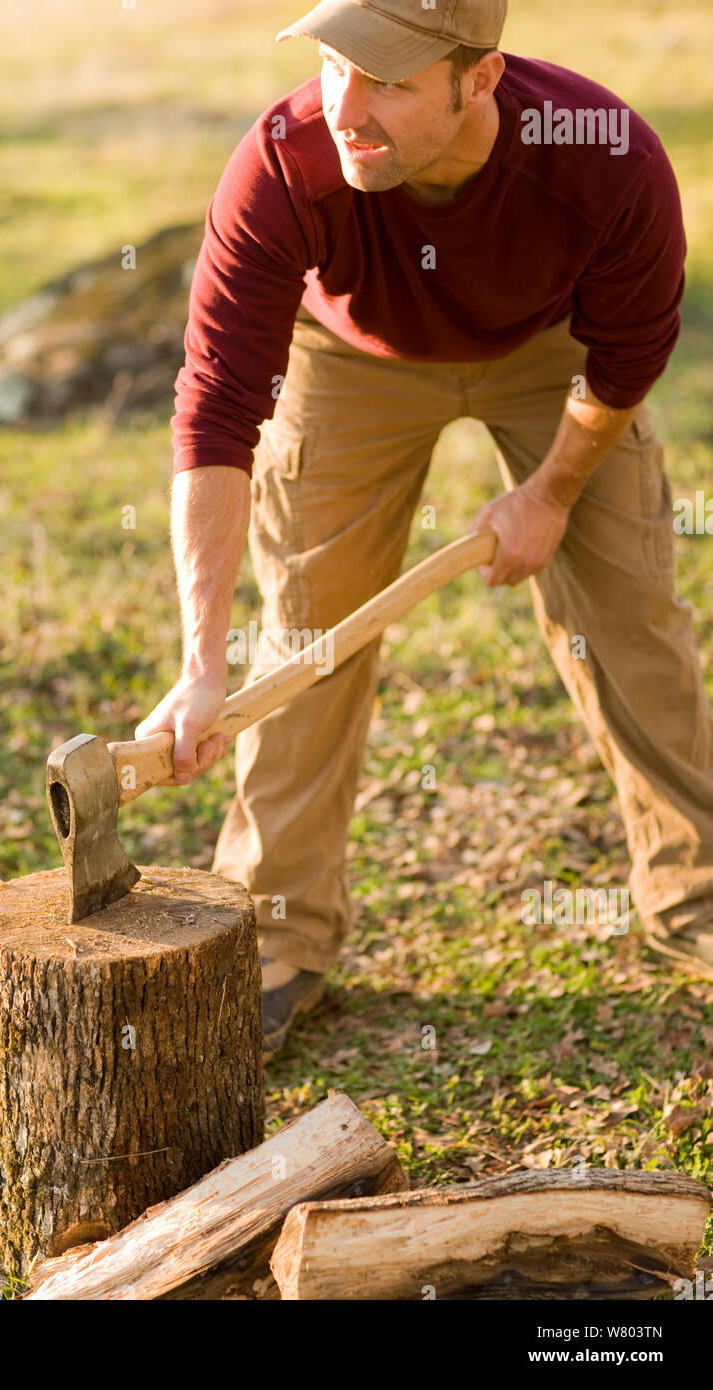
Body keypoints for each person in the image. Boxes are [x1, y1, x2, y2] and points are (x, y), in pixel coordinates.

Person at [135, 0, 713, 1057]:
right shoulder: (282, 163)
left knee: (628, 609)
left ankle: (696, 891)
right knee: (308, 632)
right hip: (349, 354)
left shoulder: (599, 154)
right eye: (331, 67)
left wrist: (546, 493)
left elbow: (627, 354)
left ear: (479, 79)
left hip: (553, 351)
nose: (344, 108)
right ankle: (278, 929)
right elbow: (216, 406)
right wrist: (200, 658)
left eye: (389, 81)